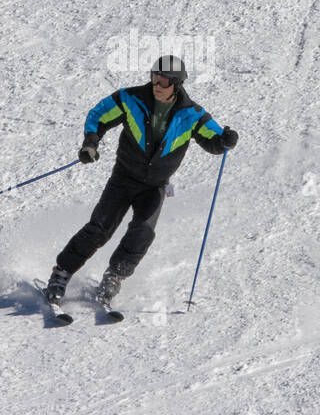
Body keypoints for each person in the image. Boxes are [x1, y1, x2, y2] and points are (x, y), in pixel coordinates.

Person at [44, 55, 238, 307]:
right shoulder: (130, 98)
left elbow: (214, 140)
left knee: (143, 231)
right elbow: (99, 115)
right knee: (100, 228)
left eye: (165, 81)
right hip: (124, 178)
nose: (157, 84)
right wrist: (90, 142)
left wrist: (225, 141)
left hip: (156, 186)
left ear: (177, 84)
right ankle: (61, 273)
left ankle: (114, 277)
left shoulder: (193, 115)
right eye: (155, 78)